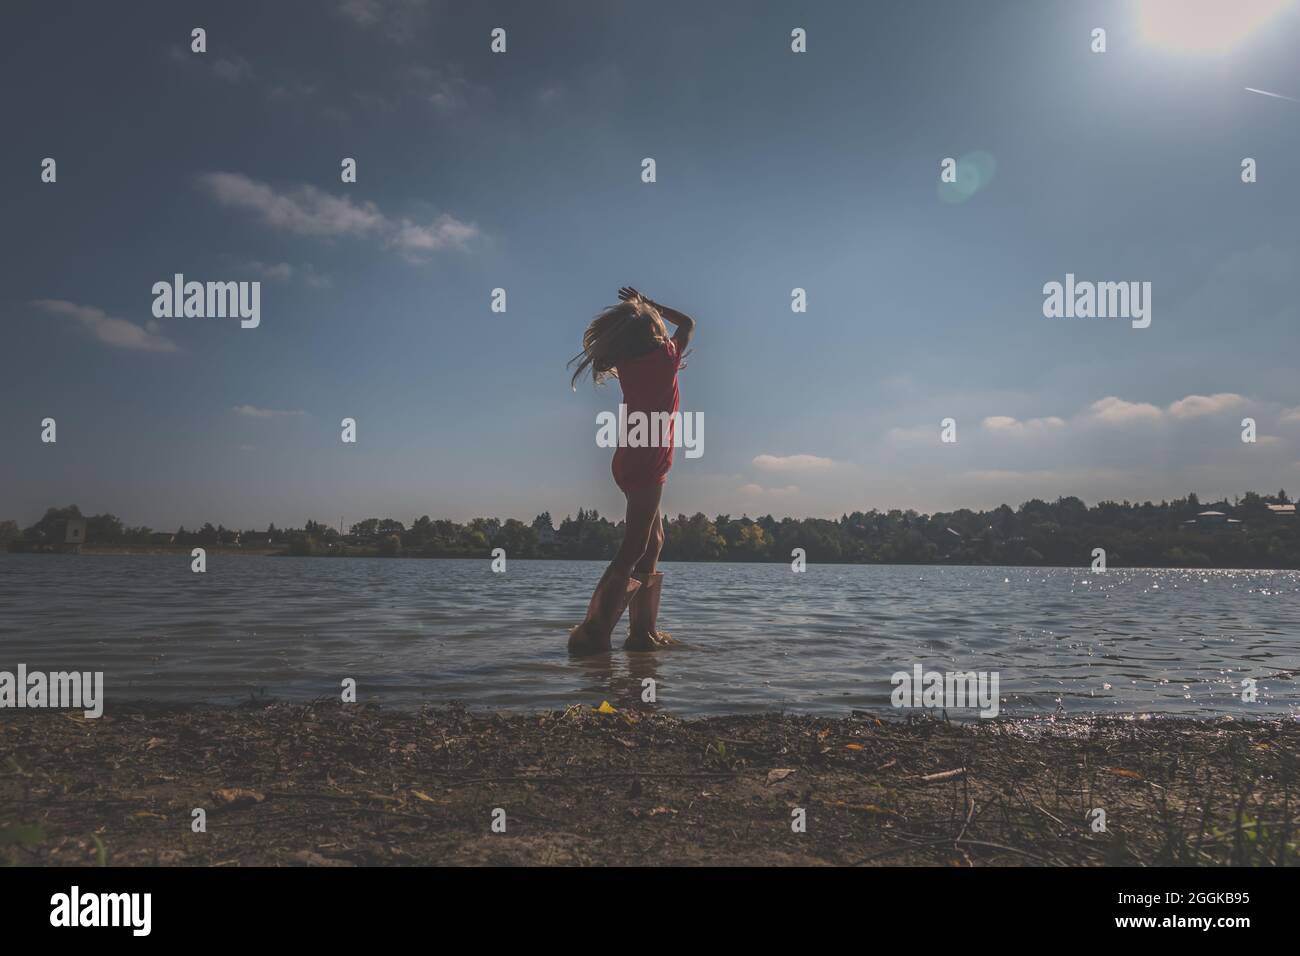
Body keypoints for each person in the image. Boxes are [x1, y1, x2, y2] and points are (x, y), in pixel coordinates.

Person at [565, 287, 696, 655]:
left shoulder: (628, 363)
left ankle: (642, 634)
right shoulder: (666, 356)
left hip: (630, 458)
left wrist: (646, 311)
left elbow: (681, 326)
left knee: (653, 542)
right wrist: (653, 304)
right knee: (634, 547)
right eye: (655, 319)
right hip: (649, 459)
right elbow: (687, 323)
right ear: (655, 333)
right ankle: (593, 631)